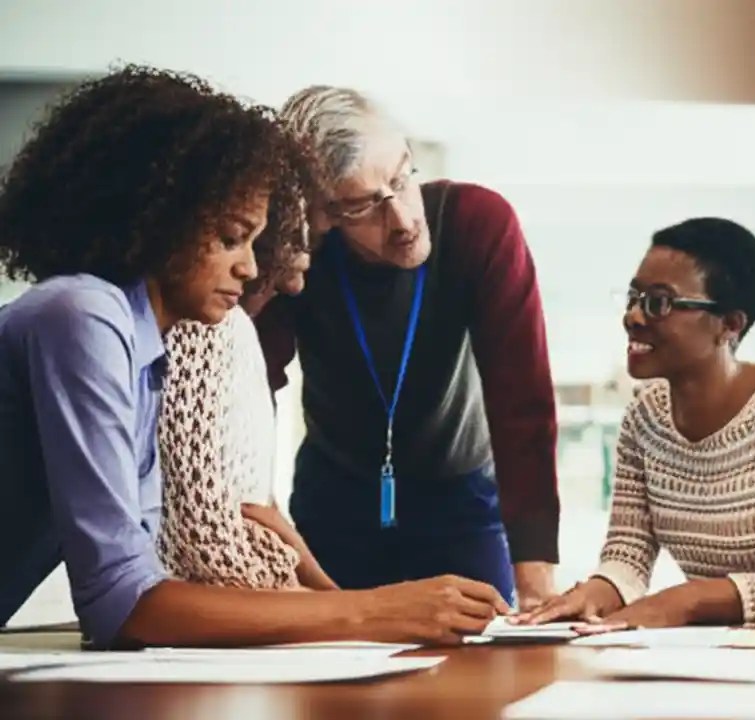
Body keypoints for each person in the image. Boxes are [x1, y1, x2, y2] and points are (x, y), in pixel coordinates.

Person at [0, 66, 507, 648]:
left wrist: (347, 602)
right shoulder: (84, 315)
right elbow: (121, 602)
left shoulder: (146, 351)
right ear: (158, 220)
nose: (249, 265)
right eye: (230, 237)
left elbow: (140, 582)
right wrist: (375, 609)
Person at [256, 86, 559, 608]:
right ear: (322, 214)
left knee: (478, 673)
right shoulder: (303, 248)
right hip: (335, 501)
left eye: (400, 178)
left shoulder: (477, 222)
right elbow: (250, 384)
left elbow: (521, 401)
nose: (401, 219)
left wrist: (535, 578)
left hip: (461, 497)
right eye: (362, 207)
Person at [516, 218, 755, 629]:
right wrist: (595, 592)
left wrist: (694, 599)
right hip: (708, 652)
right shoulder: (644, 417)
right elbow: (628, 554)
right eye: (633, 297)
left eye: (659, 302)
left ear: (730, 324)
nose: (633, 317)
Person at [158, 211, 338, 592]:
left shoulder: (238, 330)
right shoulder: (206, 330)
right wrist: (341, 607)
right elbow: (206, 538)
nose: (308, 254)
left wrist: (335, 597)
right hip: (209, 605)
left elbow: (255, 500)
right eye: (236, 238)